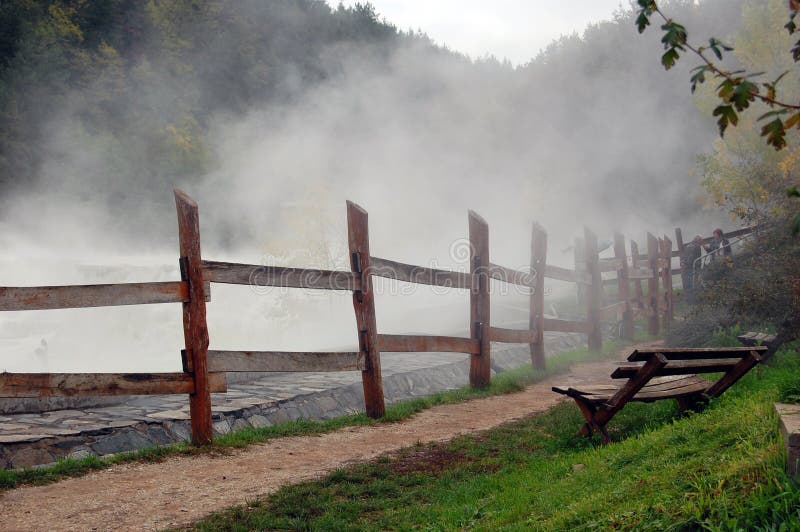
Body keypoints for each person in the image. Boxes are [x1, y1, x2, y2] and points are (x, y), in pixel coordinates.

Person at [681, 235, 703, 301]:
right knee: (694, 283)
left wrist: (683, 263)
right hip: (693, 267)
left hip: (686, 267)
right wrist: (698, 268)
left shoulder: (688, 246)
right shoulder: (697, 247)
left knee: (688, 283)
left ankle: (688, 299)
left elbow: (684, 257)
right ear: (698, 240)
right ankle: (693, 300)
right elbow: (695, 258)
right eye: (701, 241)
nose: (702, 242)